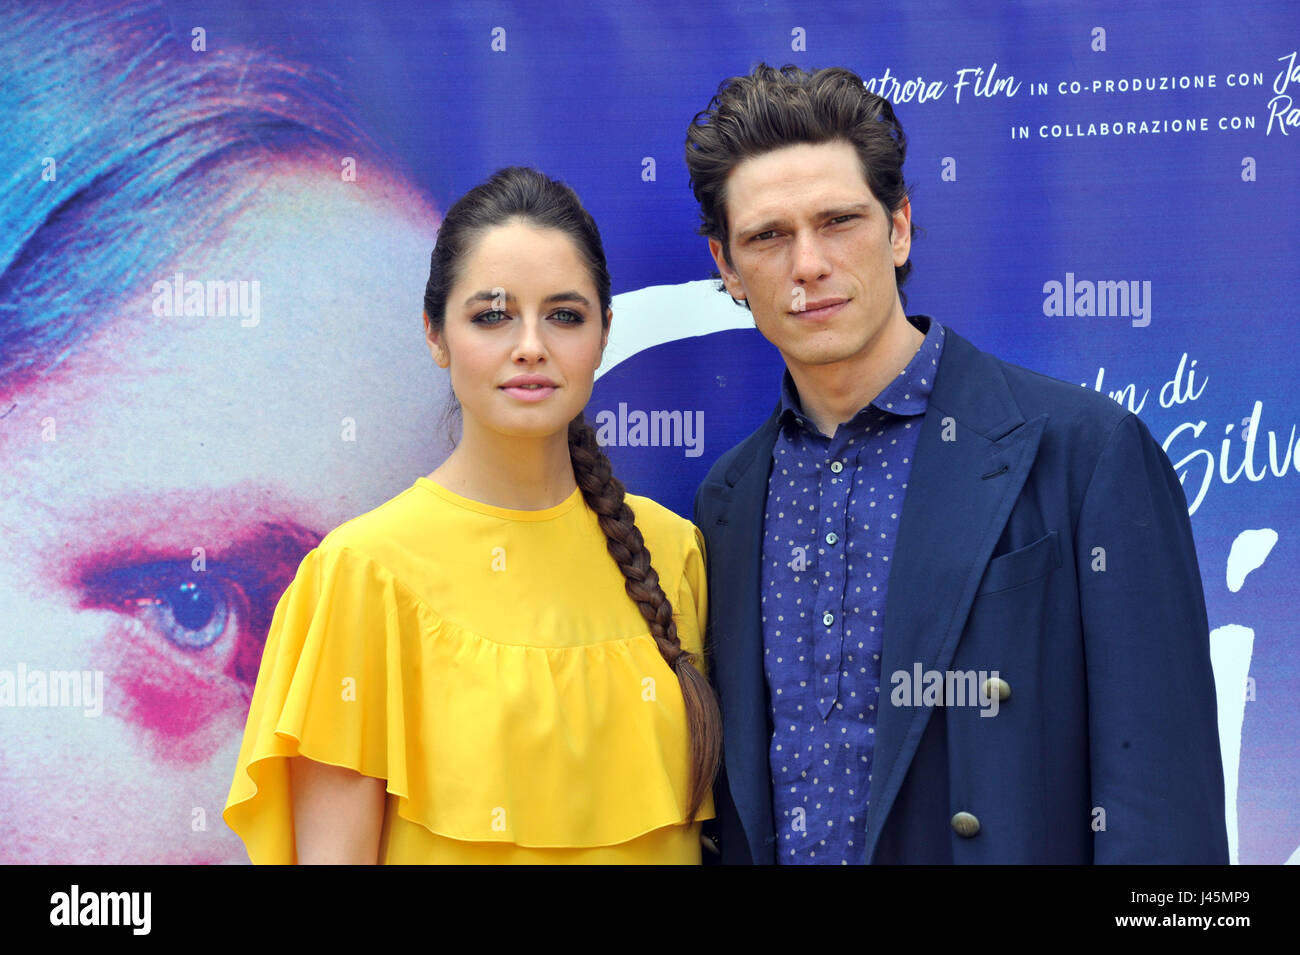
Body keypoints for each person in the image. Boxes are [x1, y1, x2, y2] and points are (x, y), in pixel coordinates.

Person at [685, 63, 1229, 864]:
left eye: (839, 221)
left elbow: (1163, 817)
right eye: (768, 235)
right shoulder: (726, 499)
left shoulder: (1085, 452)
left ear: (899, 226)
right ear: (727, 267)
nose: (808, 265)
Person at [222, 166, 722, 863]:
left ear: (605, 333)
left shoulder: (675, 552)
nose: (530, 345)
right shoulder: (359, 577)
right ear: (435, 334)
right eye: (492, 314)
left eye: (565, 315)